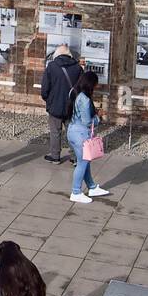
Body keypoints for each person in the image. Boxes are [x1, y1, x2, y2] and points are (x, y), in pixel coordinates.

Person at [65, 69, 109, 203]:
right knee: (82, 163)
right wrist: (98, 117)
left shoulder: (75, 92)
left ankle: (92, 187)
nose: (96, 87)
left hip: (73, 131)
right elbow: (87, 121)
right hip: (80, 134)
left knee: (85, 161)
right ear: (90, 84)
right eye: (95, 84)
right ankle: (76, 192)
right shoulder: (84, 99)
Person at [40, 43, 82, 164]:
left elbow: (44, 89)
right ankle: (75, 157)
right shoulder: (77, 68)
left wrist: (48, 100)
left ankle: (55, 156)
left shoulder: (52, 67)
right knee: (73, 132)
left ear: (57, 54)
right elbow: (81, 89)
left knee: (55, 132)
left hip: (55, 105)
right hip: (72, 106)